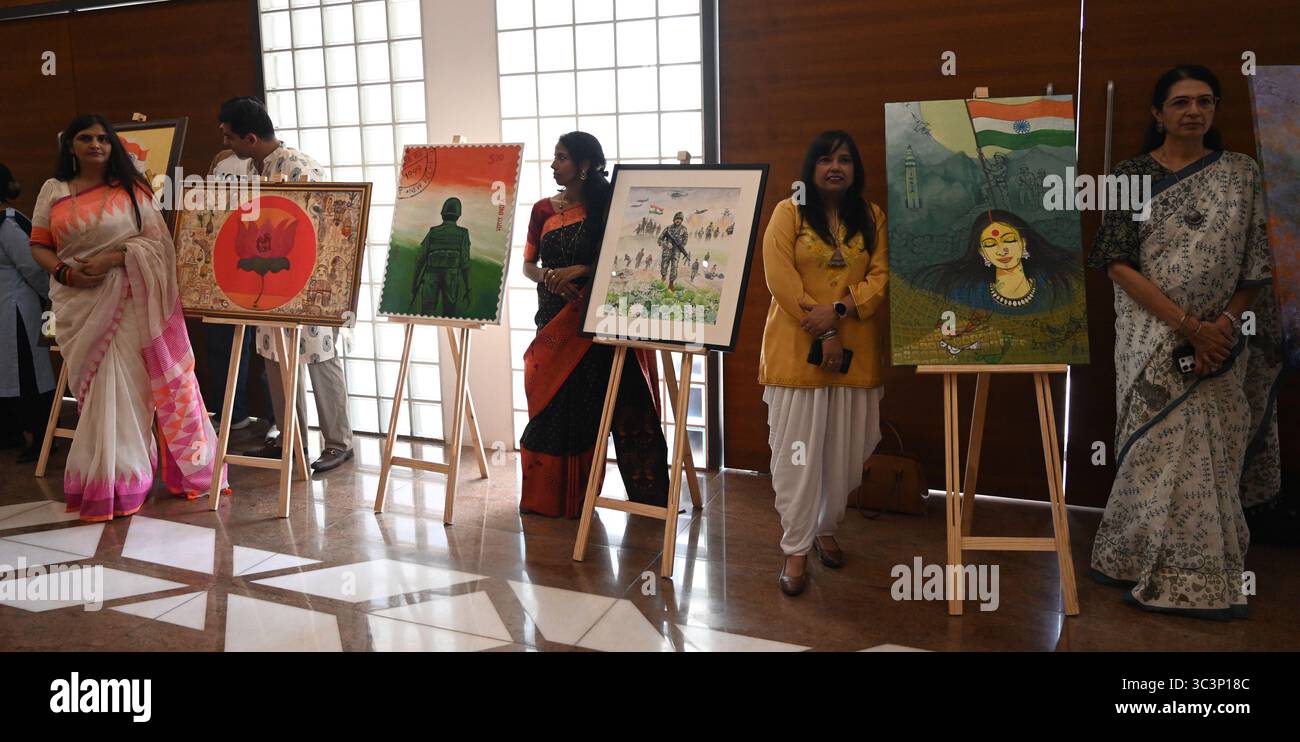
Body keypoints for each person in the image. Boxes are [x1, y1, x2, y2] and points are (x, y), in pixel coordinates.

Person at [1086, 64, 1283, 618]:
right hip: (1151, 336)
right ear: (1158, 114)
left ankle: (1202, 574)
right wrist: (1189, 327)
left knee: (1208, 452)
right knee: (1156, 446)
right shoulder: (1131, 175)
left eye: (1204, 101)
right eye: (1180, 103)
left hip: (1223, 341)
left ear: (1214, 110)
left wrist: (1220, 327)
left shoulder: (1240, 174)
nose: (1193, 111)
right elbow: (1115, 264)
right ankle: (1133, 556)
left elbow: (1255, 263)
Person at [29, 115, 226, 521]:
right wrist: (67, 273)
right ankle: (104, 480)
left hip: (133, 298)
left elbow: (158, 247)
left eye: (103, 138)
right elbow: (40, 246)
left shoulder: (134, 189)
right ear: (70, 145)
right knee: (98, 391)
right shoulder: (54, 191)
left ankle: (125, 479)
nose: (96, 145)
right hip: (77, 303)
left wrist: (114, 257)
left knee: (130, 391)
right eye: (86, 138)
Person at [759, 130, 888, 596]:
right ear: (810, 168)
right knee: (797, 454)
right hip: (798, 353)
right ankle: (795, 547)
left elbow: (880, 274)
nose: (836, 167)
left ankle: (826, 526)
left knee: (846, 454)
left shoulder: (871, 217)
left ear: (856, 170)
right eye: (826, 159)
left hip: (858, 354)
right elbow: (779, 277)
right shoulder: (787, 212)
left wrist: (839, 310)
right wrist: (826, 328)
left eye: (846, 160)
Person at [517, 131, 669, 518]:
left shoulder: (608, 207)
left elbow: (627, 261)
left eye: (562, 157)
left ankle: (620, 499)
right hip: (553, 321)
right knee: (553, 405)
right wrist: (550, 278)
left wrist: (582, 270)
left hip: (596, 321)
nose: (554, 165)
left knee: (597, 405)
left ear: (584, 165)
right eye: (554, 157)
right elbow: (528, 266)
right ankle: (550, 500)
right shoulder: (542, 211)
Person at [218, 97, 353, 473]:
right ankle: (291, 441)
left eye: (230, 137)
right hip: (268, 282)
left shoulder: (298, 166)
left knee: (320, 359)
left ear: (249, 137)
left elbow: (323, 226)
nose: (227, 144)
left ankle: (339, 442)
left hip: (307, 282)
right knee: (275, 361)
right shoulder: (257, 168)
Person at [916, 208, 1080, 313]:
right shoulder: (968, 296)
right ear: (983, 253)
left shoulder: (1054, 287)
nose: (1002, 250)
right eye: (990, 244)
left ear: (1023, 243)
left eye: (1009, 240)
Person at [0, 162, 55, 462]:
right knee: (19, 375)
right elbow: (33, 266)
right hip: (12, 310)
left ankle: (38, 437)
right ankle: (20, 433)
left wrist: (53, 297)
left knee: (24, 374)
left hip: (14, 311)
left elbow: (31, 265)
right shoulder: (10, 222)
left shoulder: (8, 223)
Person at [412, 197, 471, 316]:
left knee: (427, 310)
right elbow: (465, 262)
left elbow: (421, 259)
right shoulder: (463, 233)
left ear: (442, 214)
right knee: (449, 311)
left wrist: (414, 283)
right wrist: (468, 288)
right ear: (458, 215)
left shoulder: (433, 232)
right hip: (451, 275)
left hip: (431, 275)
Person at [658, 211, 690, 290]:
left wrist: (681, 246)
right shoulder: (668, 229)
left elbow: (685, 240)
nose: (678, 220)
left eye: (680, 219)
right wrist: (666, 244)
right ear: (674, 219)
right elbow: (659, 240)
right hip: (667, 250)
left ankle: (671, 284)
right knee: (664, 265)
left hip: (676, 251)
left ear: (682, 220)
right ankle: (663, 277)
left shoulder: (684, 229)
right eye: (676, 219)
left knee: (674, 267)